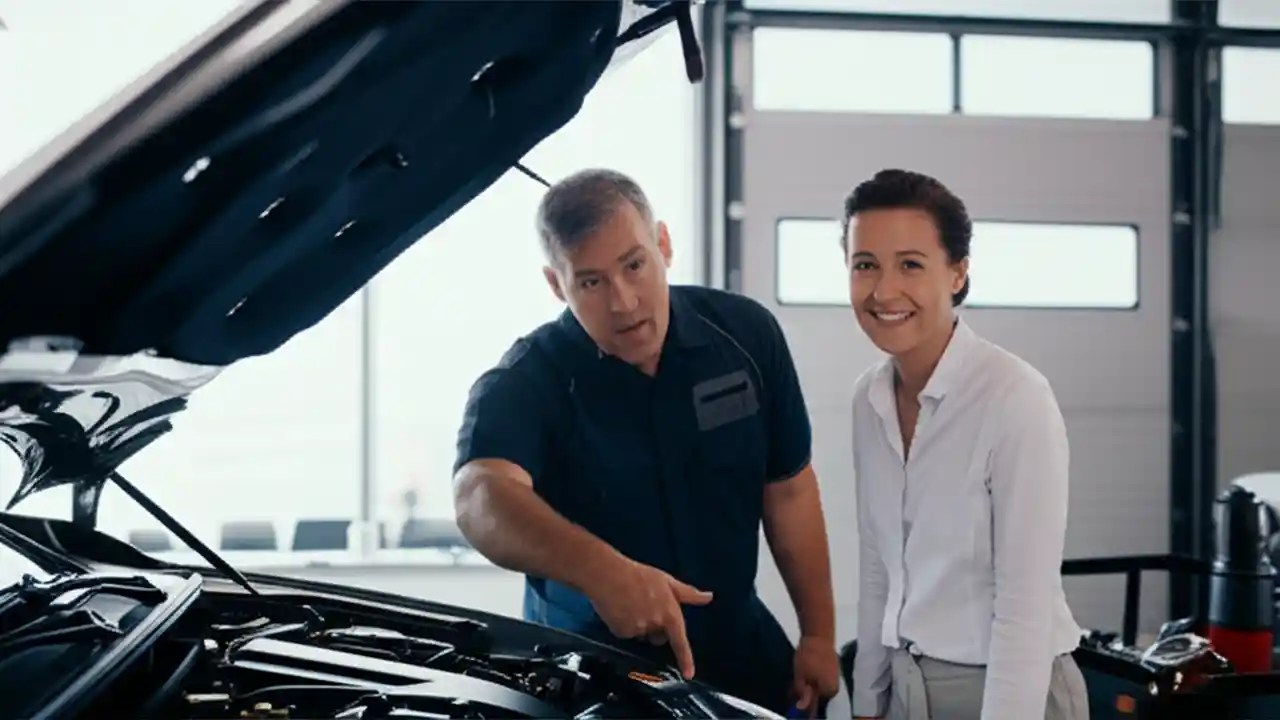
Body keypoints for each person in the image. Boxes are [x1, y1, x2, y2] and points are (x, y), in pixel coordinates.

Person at [451, 168, 841, 715]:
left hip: (738, 653)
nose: (625, 301)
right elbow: (479, 495)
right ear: (556, 284)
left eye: (634, 265)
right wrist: (603, 572)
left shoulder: (747, 337)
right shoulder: (527, 380)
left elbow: (790, 492)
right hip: (583, 673)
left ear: (663, 244)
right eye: (591, 282)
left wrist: (818, 636)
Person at [843, 169, 1089, 720]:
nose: (884, 291)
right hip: (908, 689)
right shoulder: (869, 399)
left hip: (1009, 693)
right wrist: (867, 700)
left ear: (957, 273)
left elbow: (1023, 608)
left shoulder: (1015, 397)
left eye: (911, 264)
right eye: (865, 266)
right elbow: (879, 567)